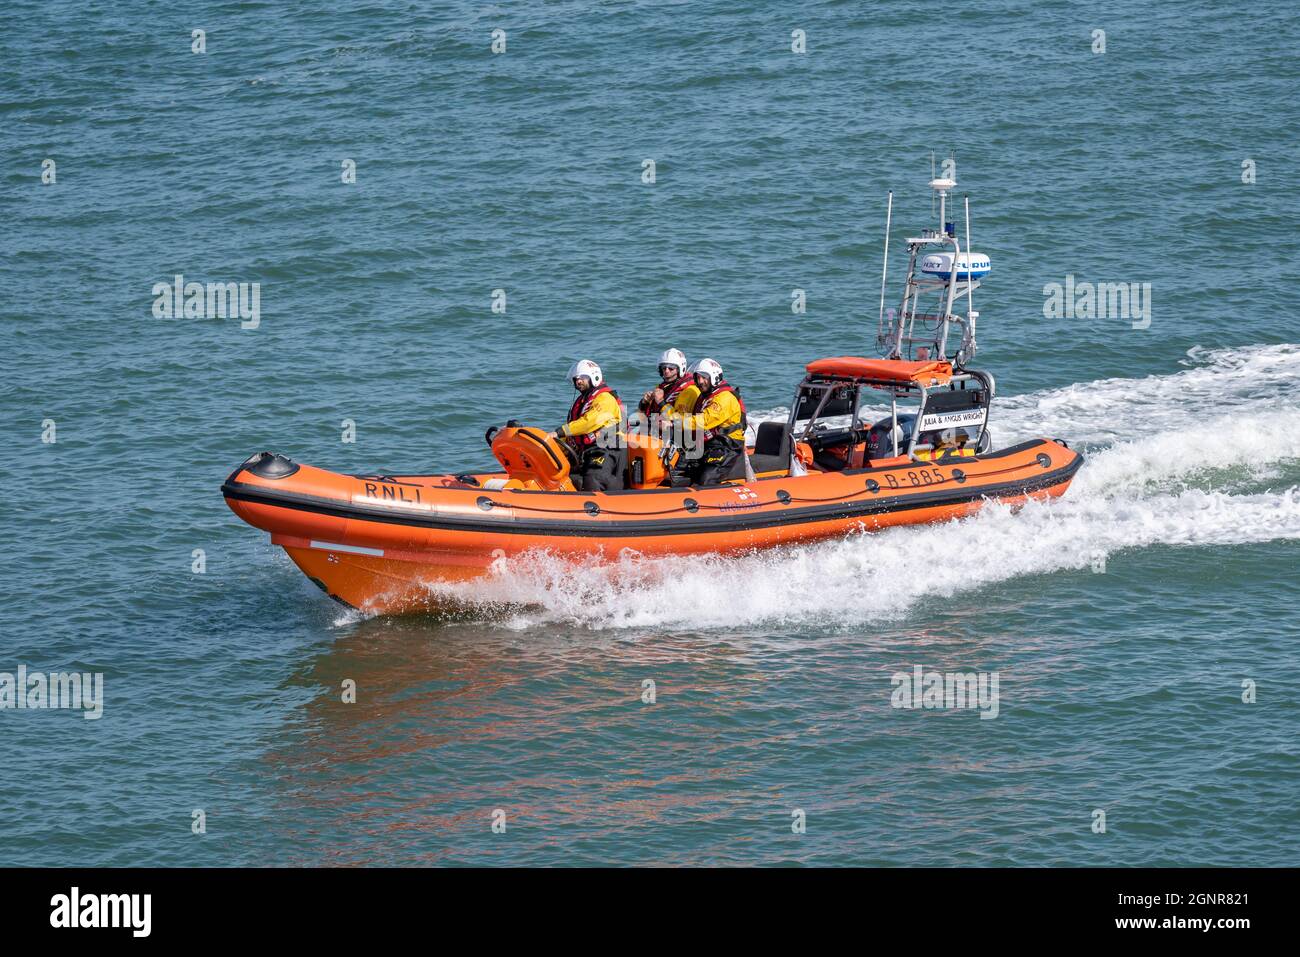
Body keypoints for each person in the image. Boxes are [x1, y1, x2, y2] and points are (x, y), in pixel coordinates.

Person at [664, 358, 747, 487]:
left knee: (706, 479)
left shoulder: (725, 398)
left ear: (714, 377)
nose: (700, 381)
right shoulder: (705, 397)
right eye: (698, 378)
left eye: (704, 377)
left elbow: (704, 420)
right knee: (678, 473)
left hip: (727, 446)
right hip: (706, 444)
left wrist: (675, 423)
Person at [553, 359, 625, 490]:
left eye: (582, 378)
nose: (578, 381)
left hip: (608, 448)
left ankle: (610, 501)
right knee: (560, 475)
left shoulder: (605, 398)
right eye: (576, 379)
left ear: (594, 377)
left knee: (594, 479)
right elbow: (573, 430)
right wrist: (554, 444)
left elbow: (589, 422)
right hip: (585, 451)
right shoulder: (581, 401)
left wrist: (559, 432)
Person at [639, 348, 700, 418]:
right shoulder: (664, 387)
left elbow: (679, 421)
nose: (666, 371)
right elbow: (644, 415)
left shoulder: (689, 391)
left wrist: (661, 402)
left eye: (671, 368)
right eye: (664, 368)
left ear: (680, 369)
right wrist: (644, 403)